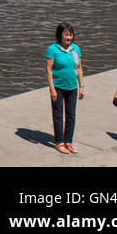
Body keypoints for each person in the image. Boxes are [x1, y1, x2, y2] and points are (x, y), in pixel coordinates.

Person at [45, 21, 84, 154]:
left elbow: (79, 68)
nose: (69, 38)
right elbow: (49, 70)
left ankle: (69, 141)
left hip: (72, 87)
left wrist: (82, 86)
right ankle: (59, 142)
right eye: (66, 35)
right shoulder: (53, 49)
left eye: (71, 35)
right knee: (58, 115)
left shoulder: (76, 49)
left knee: (71, 115)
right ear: (60, 35)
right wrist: (52, 89)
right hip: (58, 87)